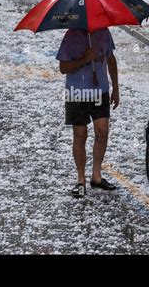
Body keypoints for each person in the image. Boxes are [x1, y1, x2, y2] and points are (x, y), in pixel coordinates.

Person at [57, 28, 119, 198]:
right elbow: (63, 68)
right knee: (80, 134)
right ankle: (80, 179)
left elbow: (111, 60)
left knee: (102, 132)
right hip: (77, 93)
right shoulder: (70, 36)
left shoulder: (104, 33)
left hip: (100, 92)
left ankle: (96, 176)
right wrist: (84, 59)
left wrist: (116, 88)